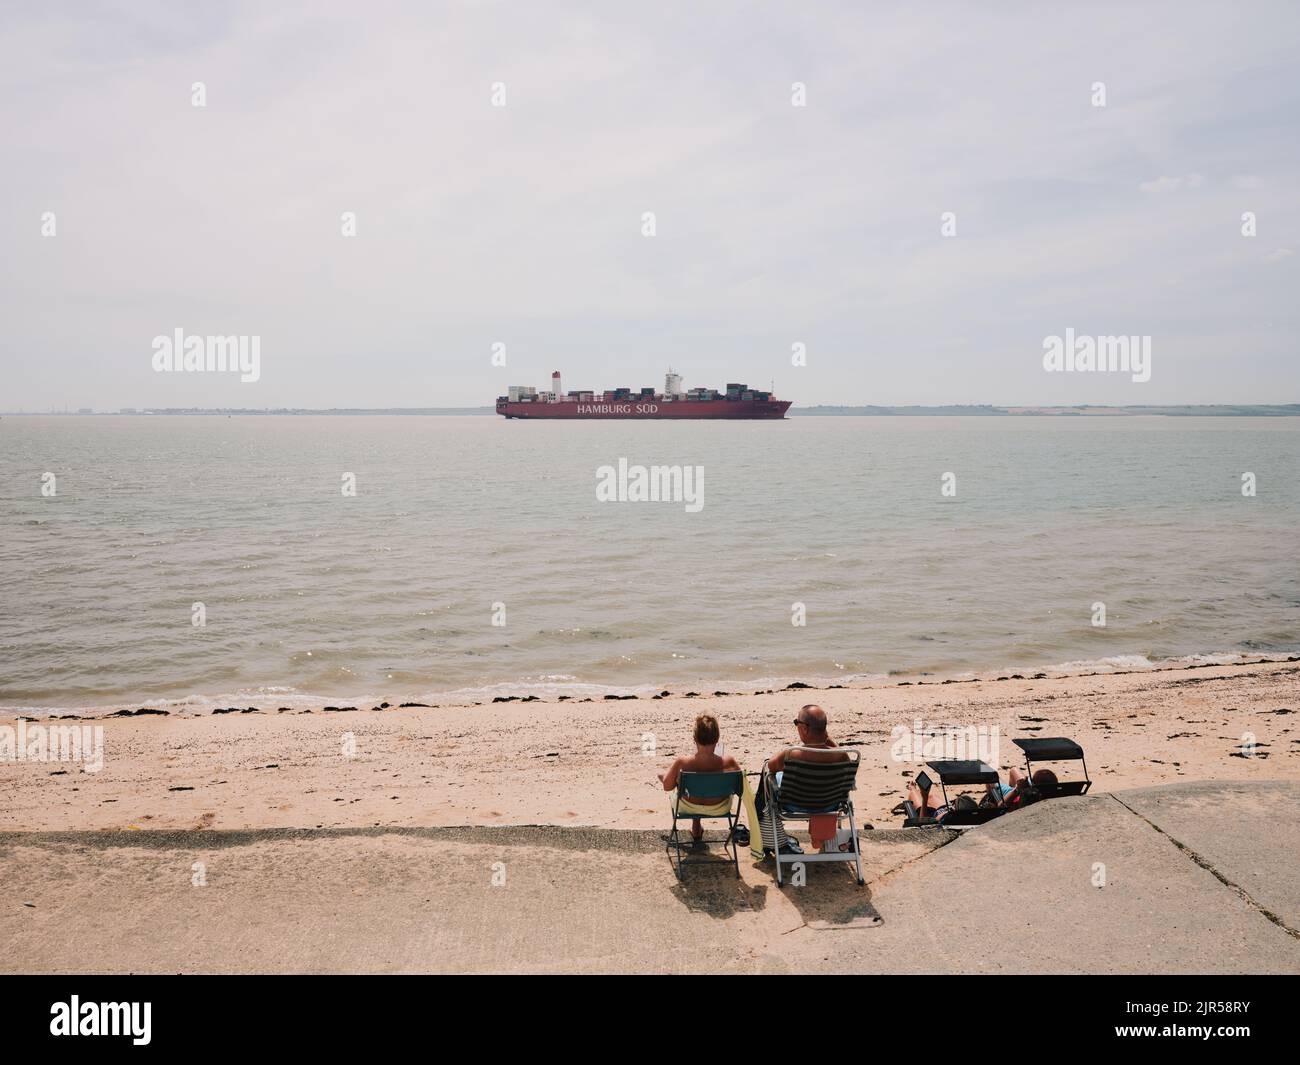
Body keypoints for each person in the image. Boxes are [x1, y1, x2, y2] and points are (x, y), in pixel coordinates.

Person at [758, 704, 851, 854]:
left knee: (770, 776)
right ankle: (820, 837)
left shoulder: (793, 754)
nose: (796, 726)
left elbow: (770, 765)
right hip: (829, 805)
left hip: (795, 804)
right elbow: (840, 757)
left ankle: (769, 836)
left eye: (796, 723)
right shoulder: (841, 756)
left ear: (805, 728)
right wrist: (826, 738)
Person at [657, 714, 740, 844]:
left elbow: (667, 787)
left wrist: (668, 779)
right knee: (705, 788)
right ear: (717, 738)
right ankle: (697, 827)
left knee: (679, 785)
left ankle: (695, 824)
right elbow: (739, 789)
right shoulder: (729, 762)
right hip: (719, 807)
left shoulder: (682, 762)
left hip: (688, 807)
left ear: (694, 738)